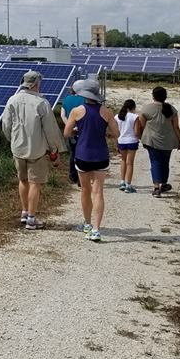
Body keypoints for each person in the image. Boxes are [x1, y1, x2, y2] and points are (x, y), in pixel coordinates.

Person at [0, 70, 64, 230]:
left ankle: (24, 212)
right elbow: (50, 130)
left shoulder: (12, 100)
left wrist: (12, 140)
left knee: (23, 180)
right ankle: (31, 218)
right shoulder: (41, 103)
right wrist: (54, 150)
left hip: (18, 148)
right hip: (37, 150)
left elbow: (6, 125)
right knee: (35, 183)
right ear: (36, 84)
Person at [63, 80, 119, 243]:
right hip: (101, 155)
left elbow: (67, 133)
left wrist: (77, 131)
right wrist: (106, 134)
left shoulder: (77, 111)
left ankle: (87, 224)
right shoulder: (106, 111)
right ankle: (96, 229)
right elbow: (117, 133)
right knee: (98, 191)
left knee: (85, 190)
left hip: (83, 154)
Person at [135, 86, 180, 197]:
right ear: (165, 96)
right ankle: (164, 184)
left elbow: (141, 126)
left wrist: (140, 138)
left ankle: (156, 187)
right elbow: (176, 127)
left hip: (152, 141)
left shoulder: (147, 109)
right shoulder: (172, 109)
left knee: (155, 162)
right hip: (168, 141)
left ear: (153, 96)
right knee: (165, 162)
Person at [59, 80, 87, 185]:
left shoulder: (67, 99)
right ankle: (81, 178)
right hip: (82, 131)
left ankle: (72, 176)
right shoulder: (85, 100)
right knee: (82, 154)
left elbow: (62, 115)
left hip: (70, 131)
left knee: (73, 153)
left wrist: (69, 126)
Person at [115, 99, 139, 193]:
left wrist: (116, 144)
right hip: (132, 141)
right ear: (133, 108)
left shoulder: (117, 116)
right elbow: (136, 132)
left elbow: (116, 132)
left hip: (121, 141)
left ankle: (122, 182)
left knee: (123, 161)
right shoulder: (134, 117)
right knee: (130, 163)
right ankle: (128, 185)